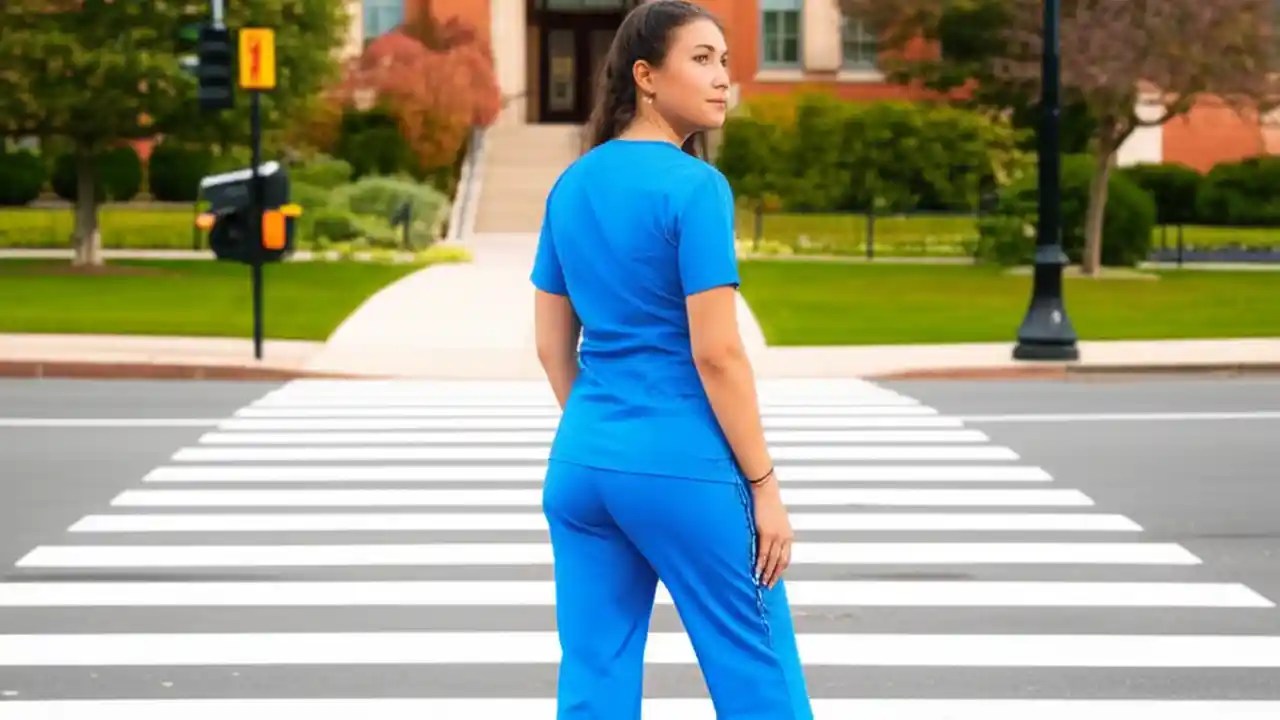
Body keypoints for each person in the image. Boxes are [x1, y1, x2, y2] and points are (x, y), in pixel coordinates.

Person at [529, 1, 815, 718]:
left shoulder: (571, 184)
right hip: (685, 464)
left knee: (595, 682)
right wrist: (765, 485)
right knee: (760, 679)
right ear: (646, 76)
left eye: (725, 61)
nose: (724, 78)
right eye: (702, 58)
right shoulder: (695, 187)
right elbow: (718, 353)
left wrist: (608, 435)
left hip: (584, 463)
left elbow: (549, 343)